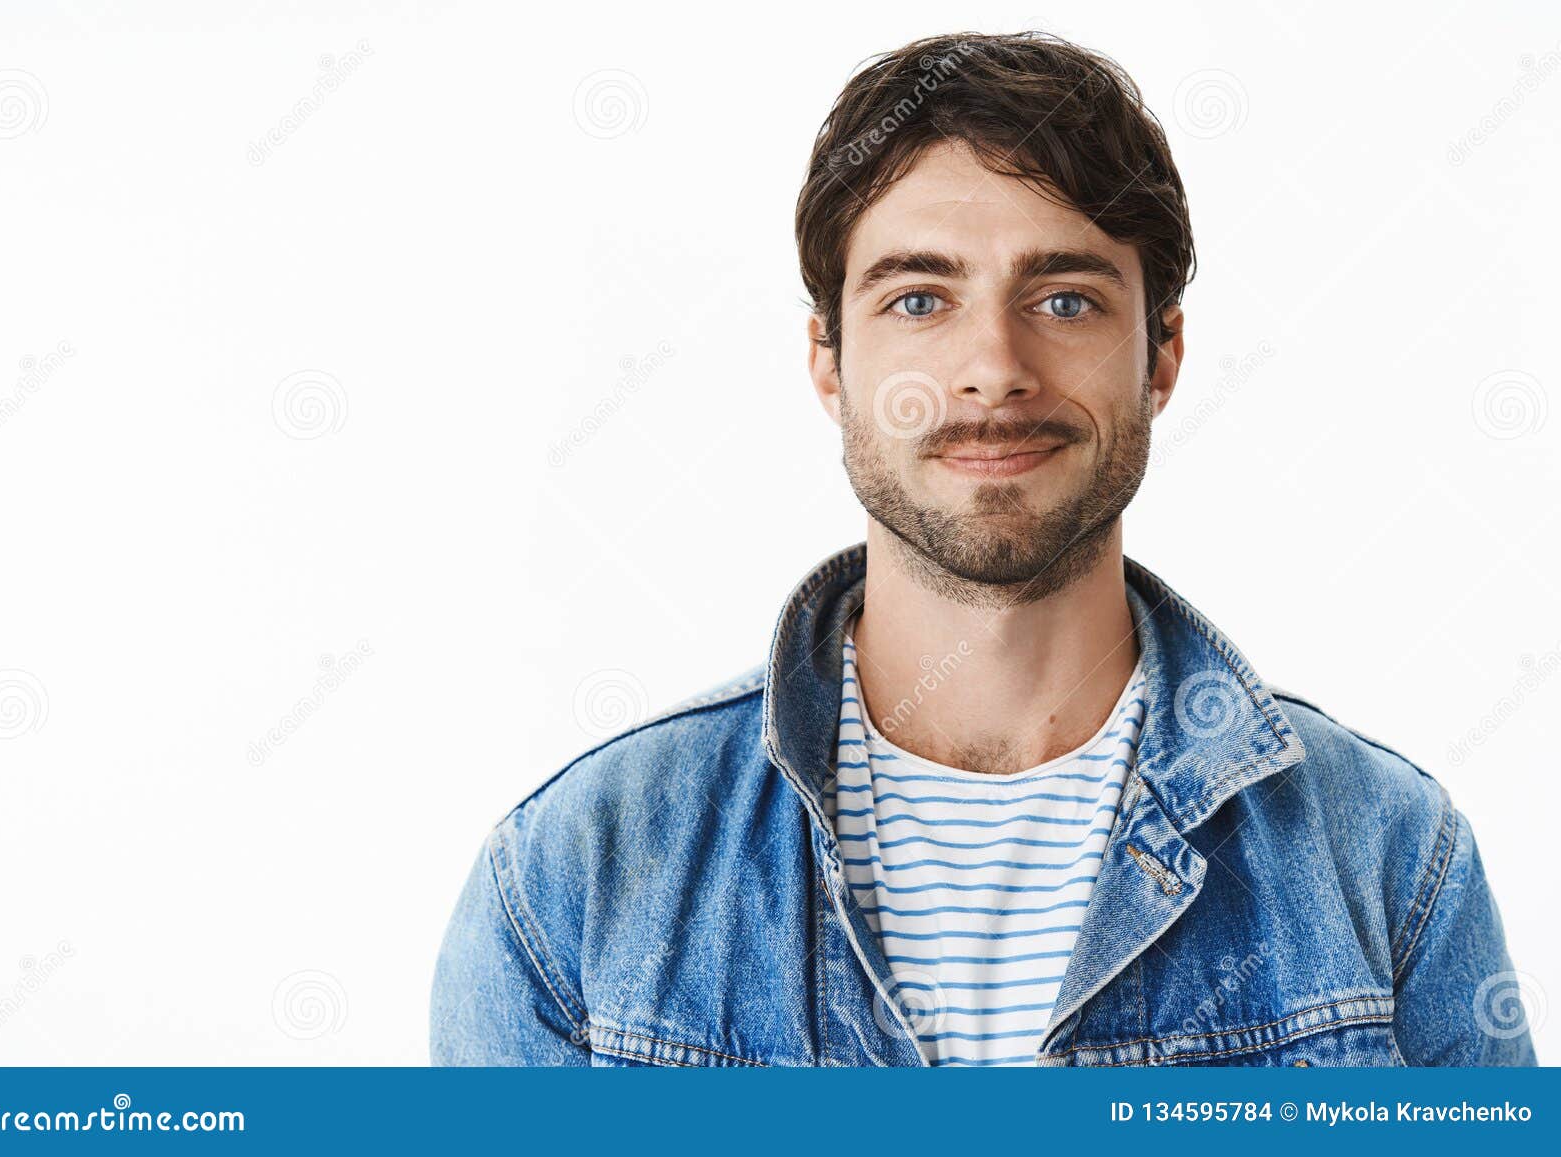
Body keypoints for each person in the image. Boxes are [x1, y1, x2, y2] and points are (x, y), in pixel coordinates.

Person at [431, 31, 1534, 1067]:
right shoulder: (574, 877)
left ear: (1162, 354)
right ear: (830, 360)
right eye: (920, 298)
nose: (993, 366)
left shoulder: (1388, 855)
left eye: (1063, 298)